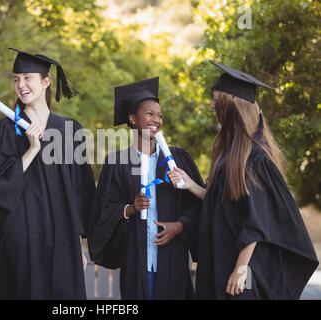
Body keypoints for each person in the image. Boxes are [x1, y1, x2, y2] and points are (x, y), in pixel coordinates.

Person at [168, 61, 319, 299]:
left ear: (232, 104)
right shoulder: (231, 154)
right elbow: (222, 203)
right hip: (220, 258)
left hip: (240, 266)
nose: (211, 105)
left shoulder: (256, 159)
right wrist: (191, 185)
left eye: (216, 99)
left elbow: (257, 222)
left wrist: (240, 268)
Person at [0, 48, 95, 299]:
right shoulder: (4, 130)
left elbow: (79, 191)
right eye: (15, 79)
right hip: (22, 236)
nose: (20, 85)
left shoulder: (68, 129)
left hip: (63, 237)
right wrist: (32, 149)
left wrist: (77, 243)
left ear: (46, 81)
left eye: (27, 77)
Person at [87, 77, 204, 299]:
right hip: (135, 255)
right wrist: (130, 209)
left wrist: (180, 226)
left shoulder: (178, 159)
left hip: (172, 255)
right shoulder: (117, 162)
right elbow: (102, 211)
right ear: (132, 119)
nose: (156, 120)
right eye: (149, 114)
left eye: (159, 115)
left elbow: (198, 204)